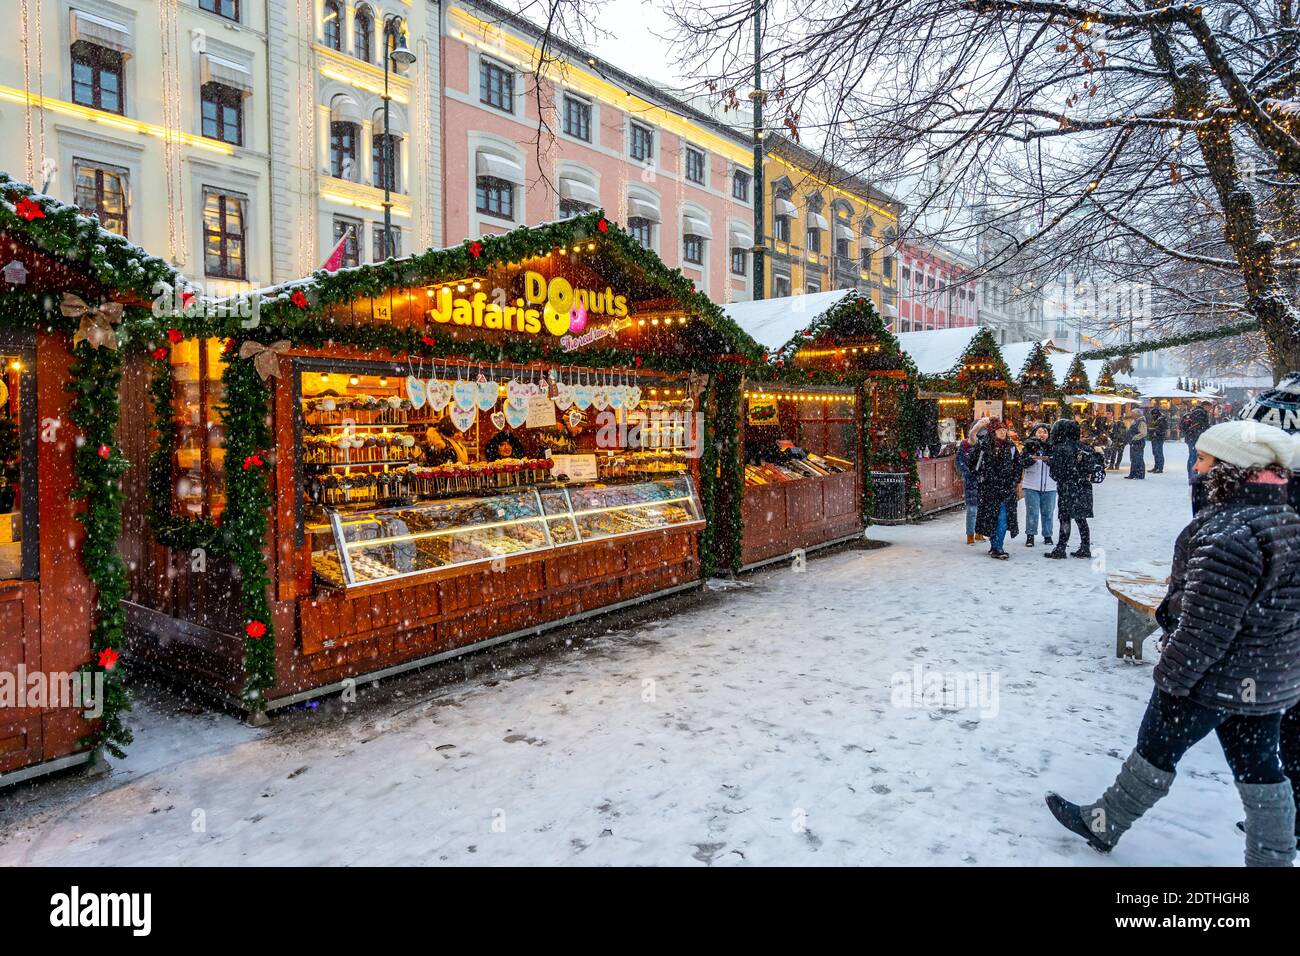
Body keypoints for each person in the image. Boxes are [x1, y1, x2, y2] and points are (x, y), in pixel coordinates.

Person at [1045, 420, 1300, 866]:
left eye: (1203, 459)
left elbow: (1206, 626)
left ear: (1229, 469)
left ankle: (1103, 824)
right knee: (1260, 769)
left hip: (1209, 677)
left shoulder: (1230, 534)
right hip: (1265, 678)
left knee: (1156, 751)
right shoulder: (1284, 519)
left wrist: (1171, 678)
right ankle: (1273, 858)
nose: (1195, 466)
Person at [969, 418, 1021, 559]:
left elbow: (1018, 465)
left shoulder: (1010, 447)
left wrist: (1014, 480)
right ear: (993, 432)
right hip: (989, 490)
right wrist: (982, 478)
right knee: (992, 519)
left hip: (1006, 490)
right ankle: (995, 546)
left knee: (1002, 519)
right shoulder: (984, 446)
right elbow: (973, 463)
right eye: (999, 429)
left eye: (1004, 429)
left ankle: (998, 547)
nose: (1003, 432)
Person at [1043, 418, 1094, 559]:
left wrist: (1052, 463)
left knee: (1065, 518)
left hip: (1067, 487)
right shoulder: (1084, 447)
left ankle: (1061, 547)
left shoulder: (1060, 448)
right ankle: (1085, 547)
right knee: (1081, 518)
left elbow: (1056, 473)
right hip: (1083, 486)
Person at [1020, 422, 1056, 548]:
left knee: (1048, 512)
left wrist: (1050, 460)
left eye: (1044, 432)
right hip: (1031, 484)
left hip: (1050, 485)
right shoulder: (1029, 446)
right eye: (1039, 432)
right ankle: (1030, 535)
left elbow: (1058, 464)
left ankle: (1048, 535)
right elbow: (1022, 463)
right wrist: (1031, 459)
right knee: (1032, 512)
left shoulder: (1053, 446)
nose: (1042, 434)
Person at [955, 418, 988, 545]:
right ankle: (970, 535)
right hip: (972, 481)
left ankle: (979, 533)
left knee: (982, 509)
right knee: (972, 509)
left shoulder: (986, 444)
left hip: (984, 481)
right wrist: (968, 473)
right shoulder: (966, 444)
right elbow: (959, 461)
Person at [1125, 408, 1148, 479]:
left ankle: (1139, 474)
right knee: (1133, 458)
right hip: (1134, 442)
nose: (1131, 415)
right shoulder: (1135, 421)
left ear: (1136, 414)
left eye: (1132, 414)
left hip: (1138, 442)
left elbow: (1143, 433)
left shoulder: (1141, 422)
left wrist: (1134, 437)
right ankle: (1133, 473)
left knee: (1138, 458)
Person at [1149, 408, 1168, 473]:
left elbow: (1162, 429)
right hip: (1154, 437)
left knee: (1158, 452)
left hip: (1158, 438)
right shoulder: (1156, 419)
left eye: (1154, 414)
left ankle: (1160, 467)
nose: (1153, 415)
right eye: (1152, 414)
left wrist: (1154, 430)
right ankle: (1156, 466)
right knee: (1155, 452)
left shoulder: (1161, 419)